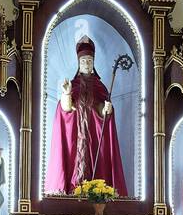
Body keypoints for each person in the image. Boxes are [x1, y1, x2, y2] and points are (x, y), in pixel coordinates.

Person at [45, 36, 127, 195]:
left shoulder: (100, 86)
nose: (87, 64)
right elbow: (65, 111)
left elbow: (104, 111)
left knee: (99, 166)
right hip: (75, 137)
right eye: (84, 61)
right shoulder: (73, 85)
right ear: (78, 63)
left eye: (89, 61)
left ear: (93, 63)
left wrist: (106, 110)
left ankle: (98, 193)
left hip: (94, 139)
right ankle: (71, 191)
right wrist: (66, 93)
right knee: (72, 165)